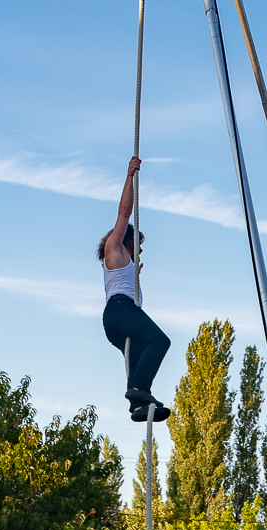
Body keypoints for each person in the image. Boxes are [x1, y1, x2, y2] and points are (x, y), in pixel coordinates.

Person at [100, 155, 171, 422]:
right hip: (120, 310)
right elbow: (124, 214)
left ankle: (139, 406)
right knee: (160, 340)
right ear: (127, 241)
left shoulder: (127, 267)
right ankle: (139, 390)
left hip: (117, 317)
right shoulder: (115, 250)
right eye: (137, 243)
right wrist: (130, 175)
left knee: (139, 354)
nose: (140, 249)